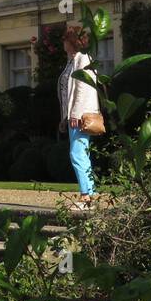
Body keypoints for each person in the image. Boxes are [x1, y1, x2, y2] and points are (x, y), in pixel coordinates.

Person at [58, 24, 99, 210]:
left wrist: (75, 114)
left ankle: (86, 197)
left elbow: (83, 89)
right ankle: (90, 193)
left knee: (77, 153)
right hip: (74, 115)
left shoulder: (83, 59)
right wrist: (64, 118)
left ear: (72, 41)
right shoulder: (73, 60)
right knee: (82, 153)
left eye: (65, 39)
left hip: (81, 115)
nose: (63, 43)